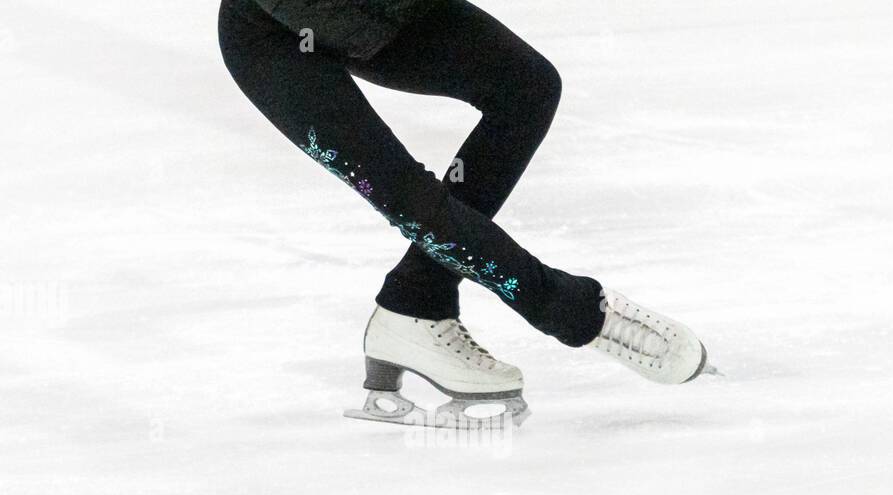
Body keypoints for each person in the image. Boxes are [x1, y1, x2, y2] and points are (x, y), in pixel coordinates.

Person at [218, 0, 709, 428]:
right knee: (405, 192)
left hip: (384, 16)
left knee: (525, 87)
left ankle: (415, 302)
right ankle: (566, 308)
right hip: (276, 31)